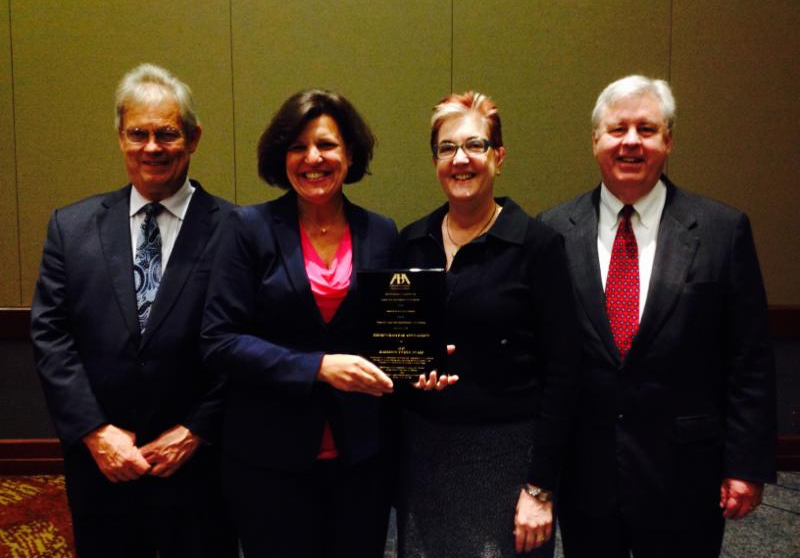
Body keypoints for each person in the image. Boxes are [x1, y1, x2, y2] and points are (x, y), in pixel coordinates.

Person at [539, 74, 776, 558]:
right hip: (587, 475)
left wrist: (747, 463)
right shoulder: (554, 232)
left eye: (646, 130)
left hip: (687, 474)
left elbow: (749, 359)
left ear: (668, 141)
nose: (630, 142)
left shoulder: (721, 230)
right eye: (617, 129)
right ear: (595, 141)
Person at [30, 63, 236, 557]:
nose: (152, 147)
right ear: (120, 137)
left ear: (193, 137)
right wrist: (96, 433)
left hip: (199, 468)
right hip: (101, 467)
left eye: (166, 133)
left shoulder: (237, 230)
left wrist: (196, 431)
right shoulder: (71, 227)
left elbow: (246, 340)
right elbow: (50, 336)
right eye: (137, 133)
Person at [201, 89, 398, 558]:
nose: (313, 158)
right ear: (281, 157)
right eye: (297, 146)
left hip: (360, 460)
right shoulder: (246, 229)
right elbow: (218, 340)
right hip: (268, 460)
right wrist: (317, 367)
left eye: (327, 145)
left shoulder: (381, 232)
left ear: (350, 154)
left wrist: (423, 361)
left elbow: (389, 333)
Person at [396, 91, 580, 557]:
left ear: (499, 157)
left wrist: (539, 488)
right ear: (435, 160)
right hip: (426, 455)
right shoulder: (411, 243)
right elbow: (399, 351)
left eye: (475, 145)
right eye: (447, 148)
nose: (461, 159)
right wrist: (409, 377)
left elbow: (564, 371)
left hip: (508, 460)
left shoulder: (537, 246)